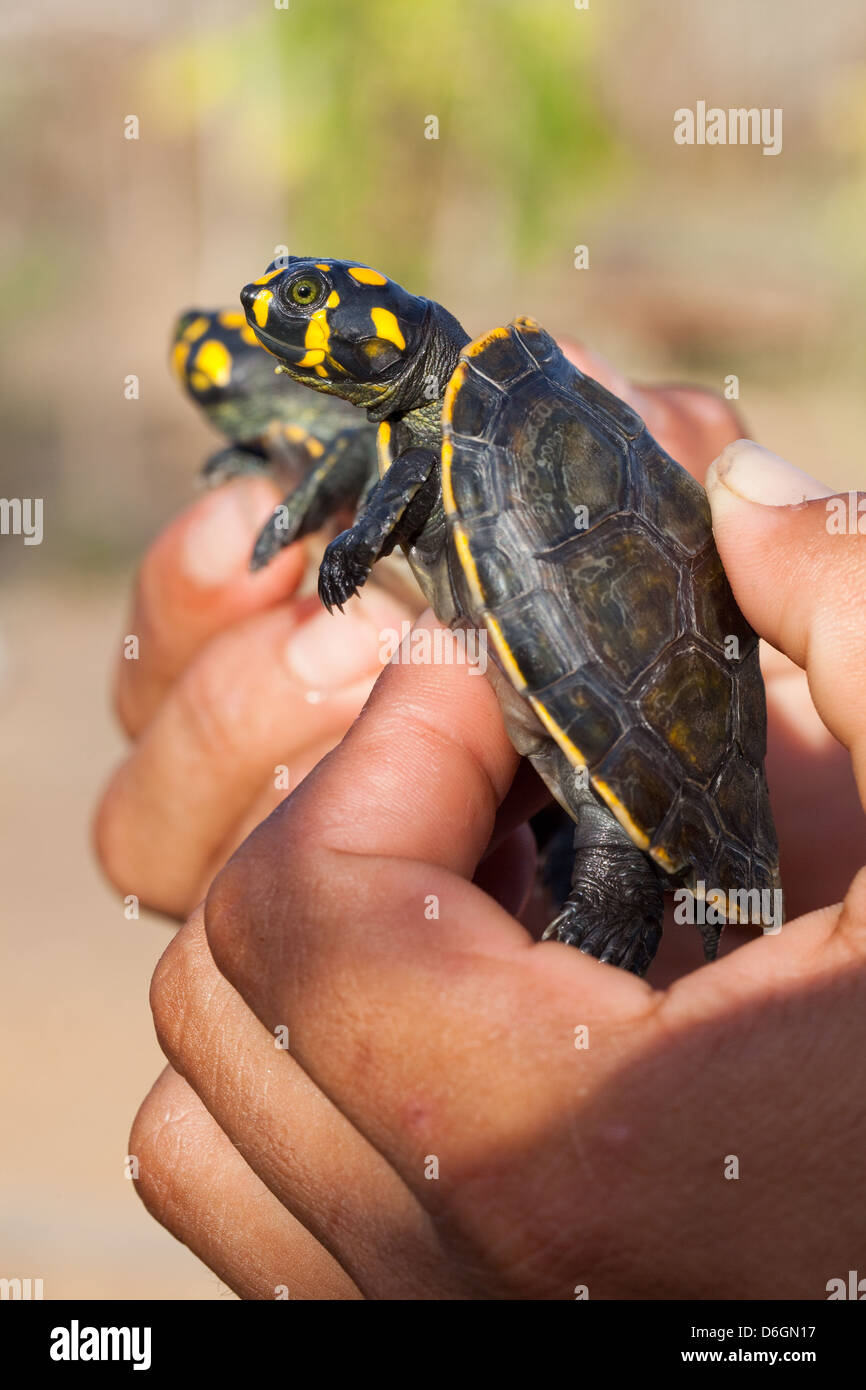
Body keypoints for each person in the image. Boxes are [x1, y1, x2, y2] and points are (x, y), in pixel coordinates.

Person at [95, 345, 866, 1299]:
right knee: (586, 819)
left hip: (644, 723)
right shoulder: (479, 415)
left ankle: (608, 921)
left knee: (610, 847)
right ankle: (604, 913)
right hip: (682, 743)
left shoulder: (456, 428)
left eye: (305, 304)